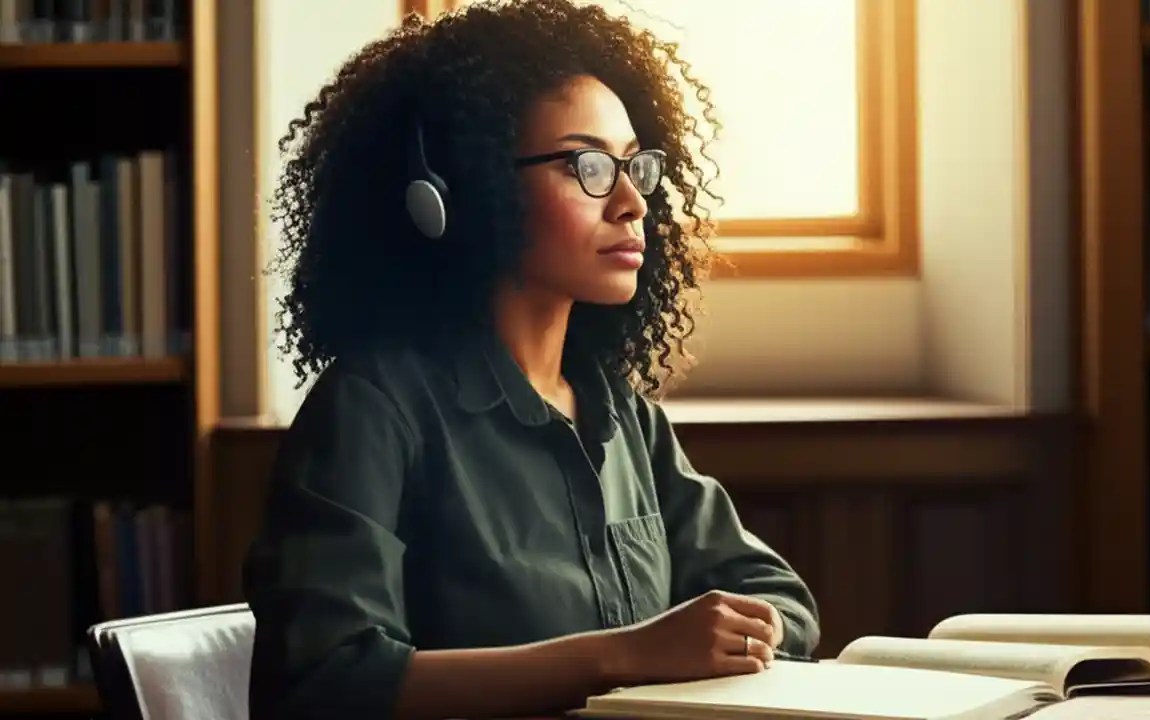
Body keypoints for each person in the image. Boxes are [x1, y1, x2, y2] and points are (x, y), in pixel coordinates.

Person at [241, 0, 820, 718]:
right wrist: (625, 656)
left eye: (635, 164)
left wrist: (750, 629)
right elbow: (325, 681)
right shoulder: (374, 407)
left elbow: (777, 594)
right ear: (464, 187)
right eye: (589, 166)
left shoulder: (621, 415)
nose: (635, 202)